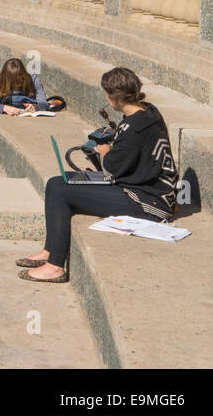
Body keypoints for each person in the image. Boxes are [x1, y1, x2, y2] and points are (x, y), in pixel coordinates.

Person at [18, 67, 178, 283]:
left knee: (59, 191)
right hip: (143, 188)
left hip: (147, 202)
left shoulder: (134, 129)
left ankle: (55, 266)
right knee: (59, 182)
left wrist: (104, 152)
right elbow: (134, 157)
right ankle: (50, 250)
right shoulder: (149, 111)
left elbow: (112, 168)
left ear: (113, 98)